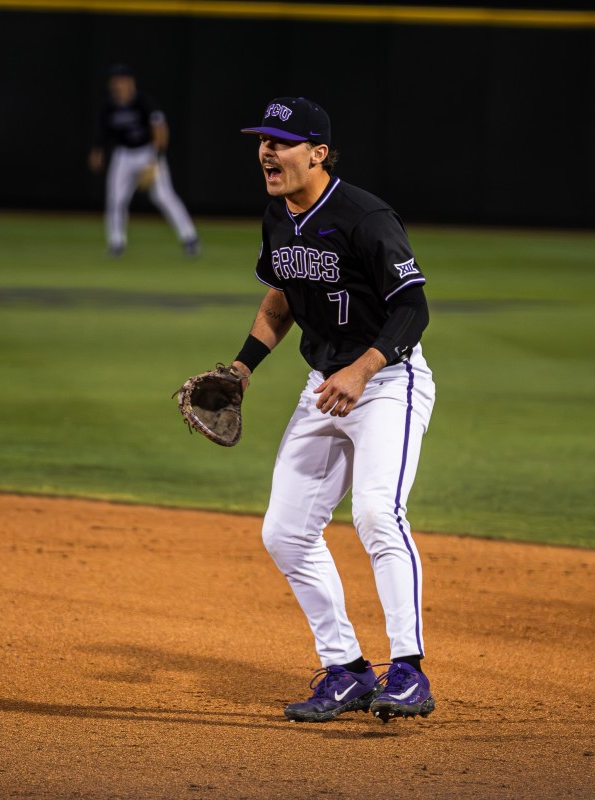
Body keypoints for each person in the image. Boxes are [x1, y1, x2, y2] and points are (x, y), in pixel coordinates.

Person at [229, 97, 436, 723]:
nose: (268, 151)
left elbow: (413, 308)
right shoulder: (277, 216)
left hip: (388, 382)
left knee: (377, 512)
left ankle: (408, 672)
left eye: (282, 141)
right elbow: (281, 300)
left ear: (318, 153)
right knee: (285, 532)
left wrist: (363, 366)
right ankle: (345, 670)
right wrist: (241, 368)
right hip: (324, 386)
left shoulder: (365, 215)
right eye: (263, 140)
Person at [88, 64, 199, 257]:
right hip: (124, 154)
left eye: (121, 80)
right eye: (115, 81)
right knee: (116, 198)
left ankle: (190, 238)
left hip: (148, 152)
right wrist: (97, 150)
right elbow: (103, 132)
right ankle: (116, 242)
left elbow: (161, 129)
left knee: (163, 196)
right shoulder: (109, 106)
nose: (117, 85)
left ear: (130, 82)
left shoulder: (144, 102)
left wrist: (154, 161)